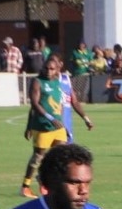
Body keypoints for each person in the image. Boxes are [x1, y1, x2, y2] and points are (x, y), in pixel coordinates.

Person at [20, 54, 92, 197]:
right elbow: (34, 104)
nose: (49, 71)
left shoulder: (62, 82)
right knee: (38, 157)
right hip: (43, 127)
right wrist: (30, 125)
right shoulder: (37, 82)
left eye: (52, 68)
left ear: (58, 68)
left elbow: (74, 101)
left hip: (59, 126)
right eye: (46, 68)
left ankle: (53, 184)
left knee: (61, 156)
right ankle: (25, 186)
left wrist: (85, 118)